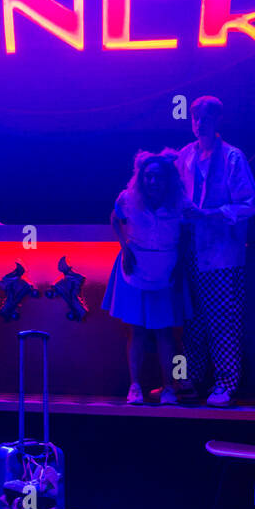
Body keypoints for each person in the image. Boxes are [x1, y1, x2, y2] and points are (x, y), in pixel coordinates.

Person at [175, 96, 255, 407]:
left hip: (222, 256)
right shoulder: (185, 156)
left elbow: (248, 204)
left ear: (218, 119)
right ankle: (190, 380)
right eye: (196, 117)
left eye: (206, 117)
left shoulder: (233, 158)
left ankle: (226, 383)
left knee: (224, 320)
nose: (200, 123)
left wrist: (211, 214)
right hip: (190, 252)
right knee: (191, 321)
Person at [102, 149, 197, 405]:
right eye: (148, 177)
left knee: (167, 333)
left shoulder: (181, 202)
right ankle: (135, 387)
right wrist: (124, 247)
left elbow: (188, 231)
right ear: (141, 178)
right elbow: (115, 218)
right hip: (136, 269)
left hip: (167, 268)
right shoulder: (127, 198)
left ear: (168, 179)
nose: (153, 181)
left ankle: (169, 388)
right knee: (137, 332)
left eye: (158, 177)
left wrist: (180, 262)